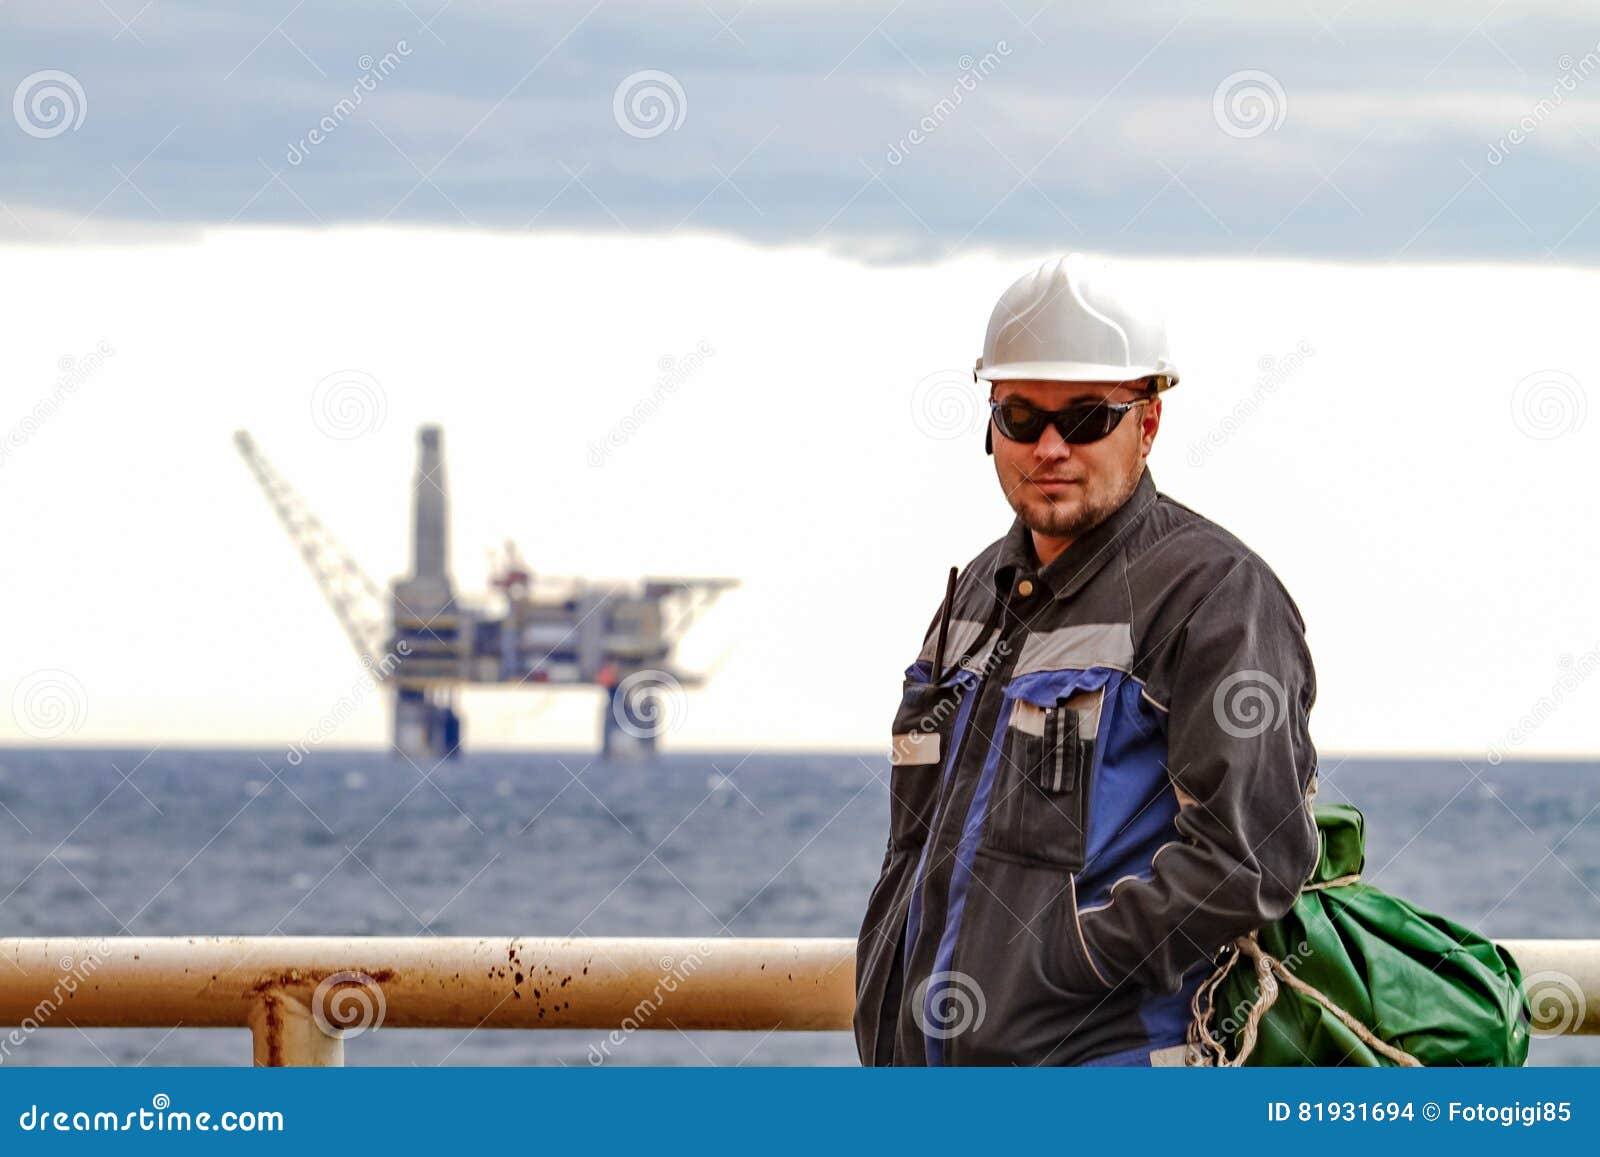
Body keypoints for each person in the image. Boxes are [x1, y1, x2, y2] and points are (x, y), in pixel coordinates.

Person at [853, 253, 1322, 1067]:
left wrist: (1062, 962)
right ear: (990, 420)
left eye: (1087, 417)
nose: (1050, 446)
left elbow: (1252, 856)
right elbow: (917, 849)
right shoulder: (971, 602)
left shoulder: (1211, 594)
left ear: (1148, 422)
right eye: (1022, 415)